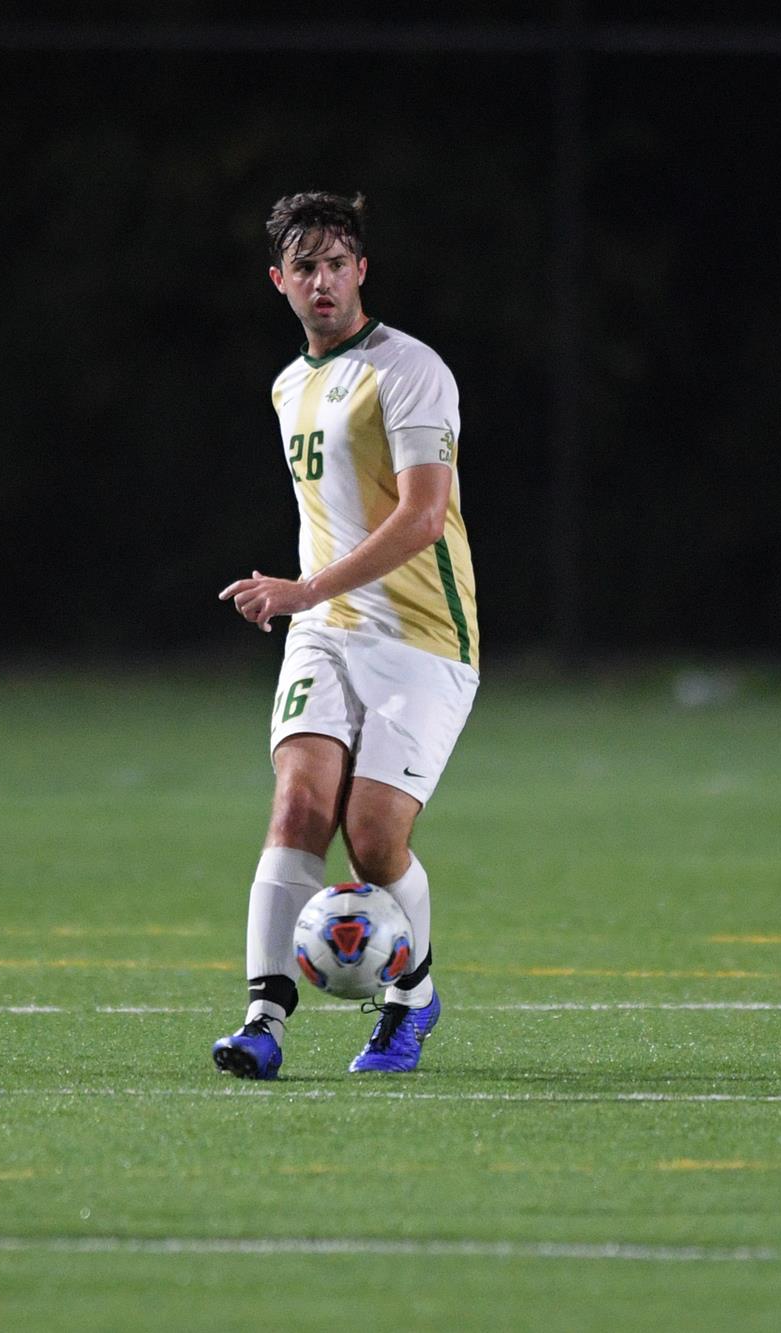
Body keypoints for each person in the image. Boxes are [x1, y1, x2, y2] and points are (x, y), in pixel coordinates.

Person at [210, 191, 479, 1080]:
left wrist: (301, 589)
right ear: (279, 282)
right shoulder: (289, 383)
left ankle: (413, 995)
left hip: (423, 640)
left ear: (361, 270)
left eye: (337, 263)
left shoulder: (409, 371)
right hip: (325, 631)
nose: (322, 281)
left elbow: (423, 517)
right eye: (305, 268)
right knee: (295, 808)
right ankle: (263, 1019)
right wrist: (310, 604)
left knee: (371, 836)